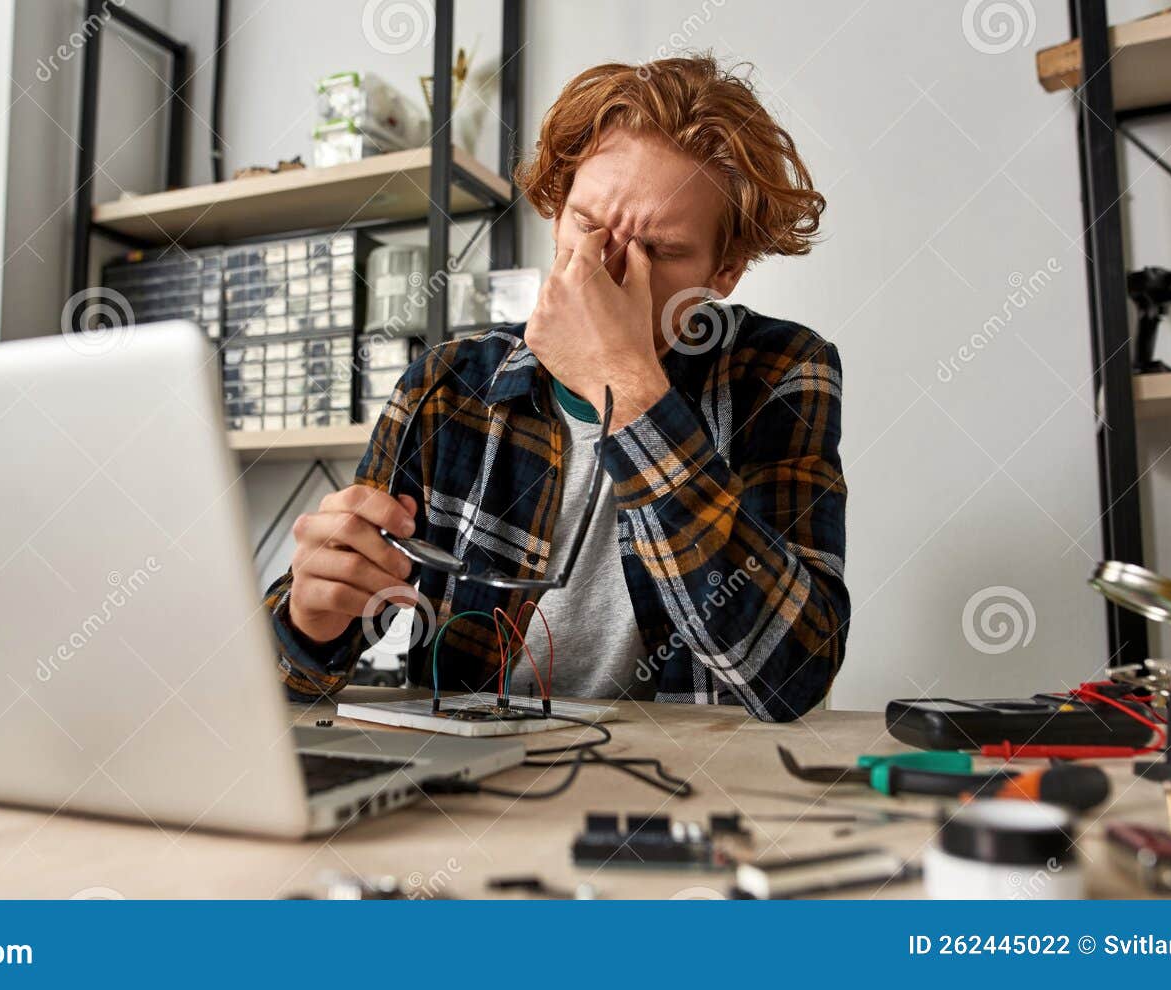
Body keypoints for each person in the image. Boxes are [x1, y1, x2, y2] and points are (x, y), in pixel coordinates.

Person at [265, 55, 847, 722]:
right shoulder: (447, 385)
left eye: (658, 251)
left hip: (693, 792)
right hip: (476, 781)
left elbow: (792, 676)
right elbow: (279, 691)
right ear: (555, 214)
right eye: (585, 224)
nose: (601, 269)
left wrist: (626, 385)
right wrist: (312, 618)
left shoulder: (781, 370)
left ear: (726, 272)